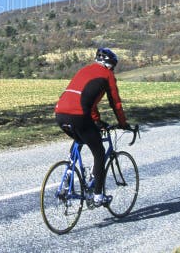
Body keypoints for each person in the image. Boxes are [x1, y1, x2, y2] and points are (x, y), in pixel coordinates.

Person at [54, 47, 130, 207]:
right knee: (100, 153)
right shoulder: (107, 75)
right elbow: (115, 102)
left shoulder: (84, 70)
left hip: (60, 113)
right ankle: (97, 195)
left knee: (79, 138)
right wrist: (123, 123)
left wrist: (96, 121)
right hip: (78, 115)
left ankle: (67, 177)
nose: (114, 71)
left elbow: (87, 100)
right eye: (114, 67)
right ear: (110, 65)